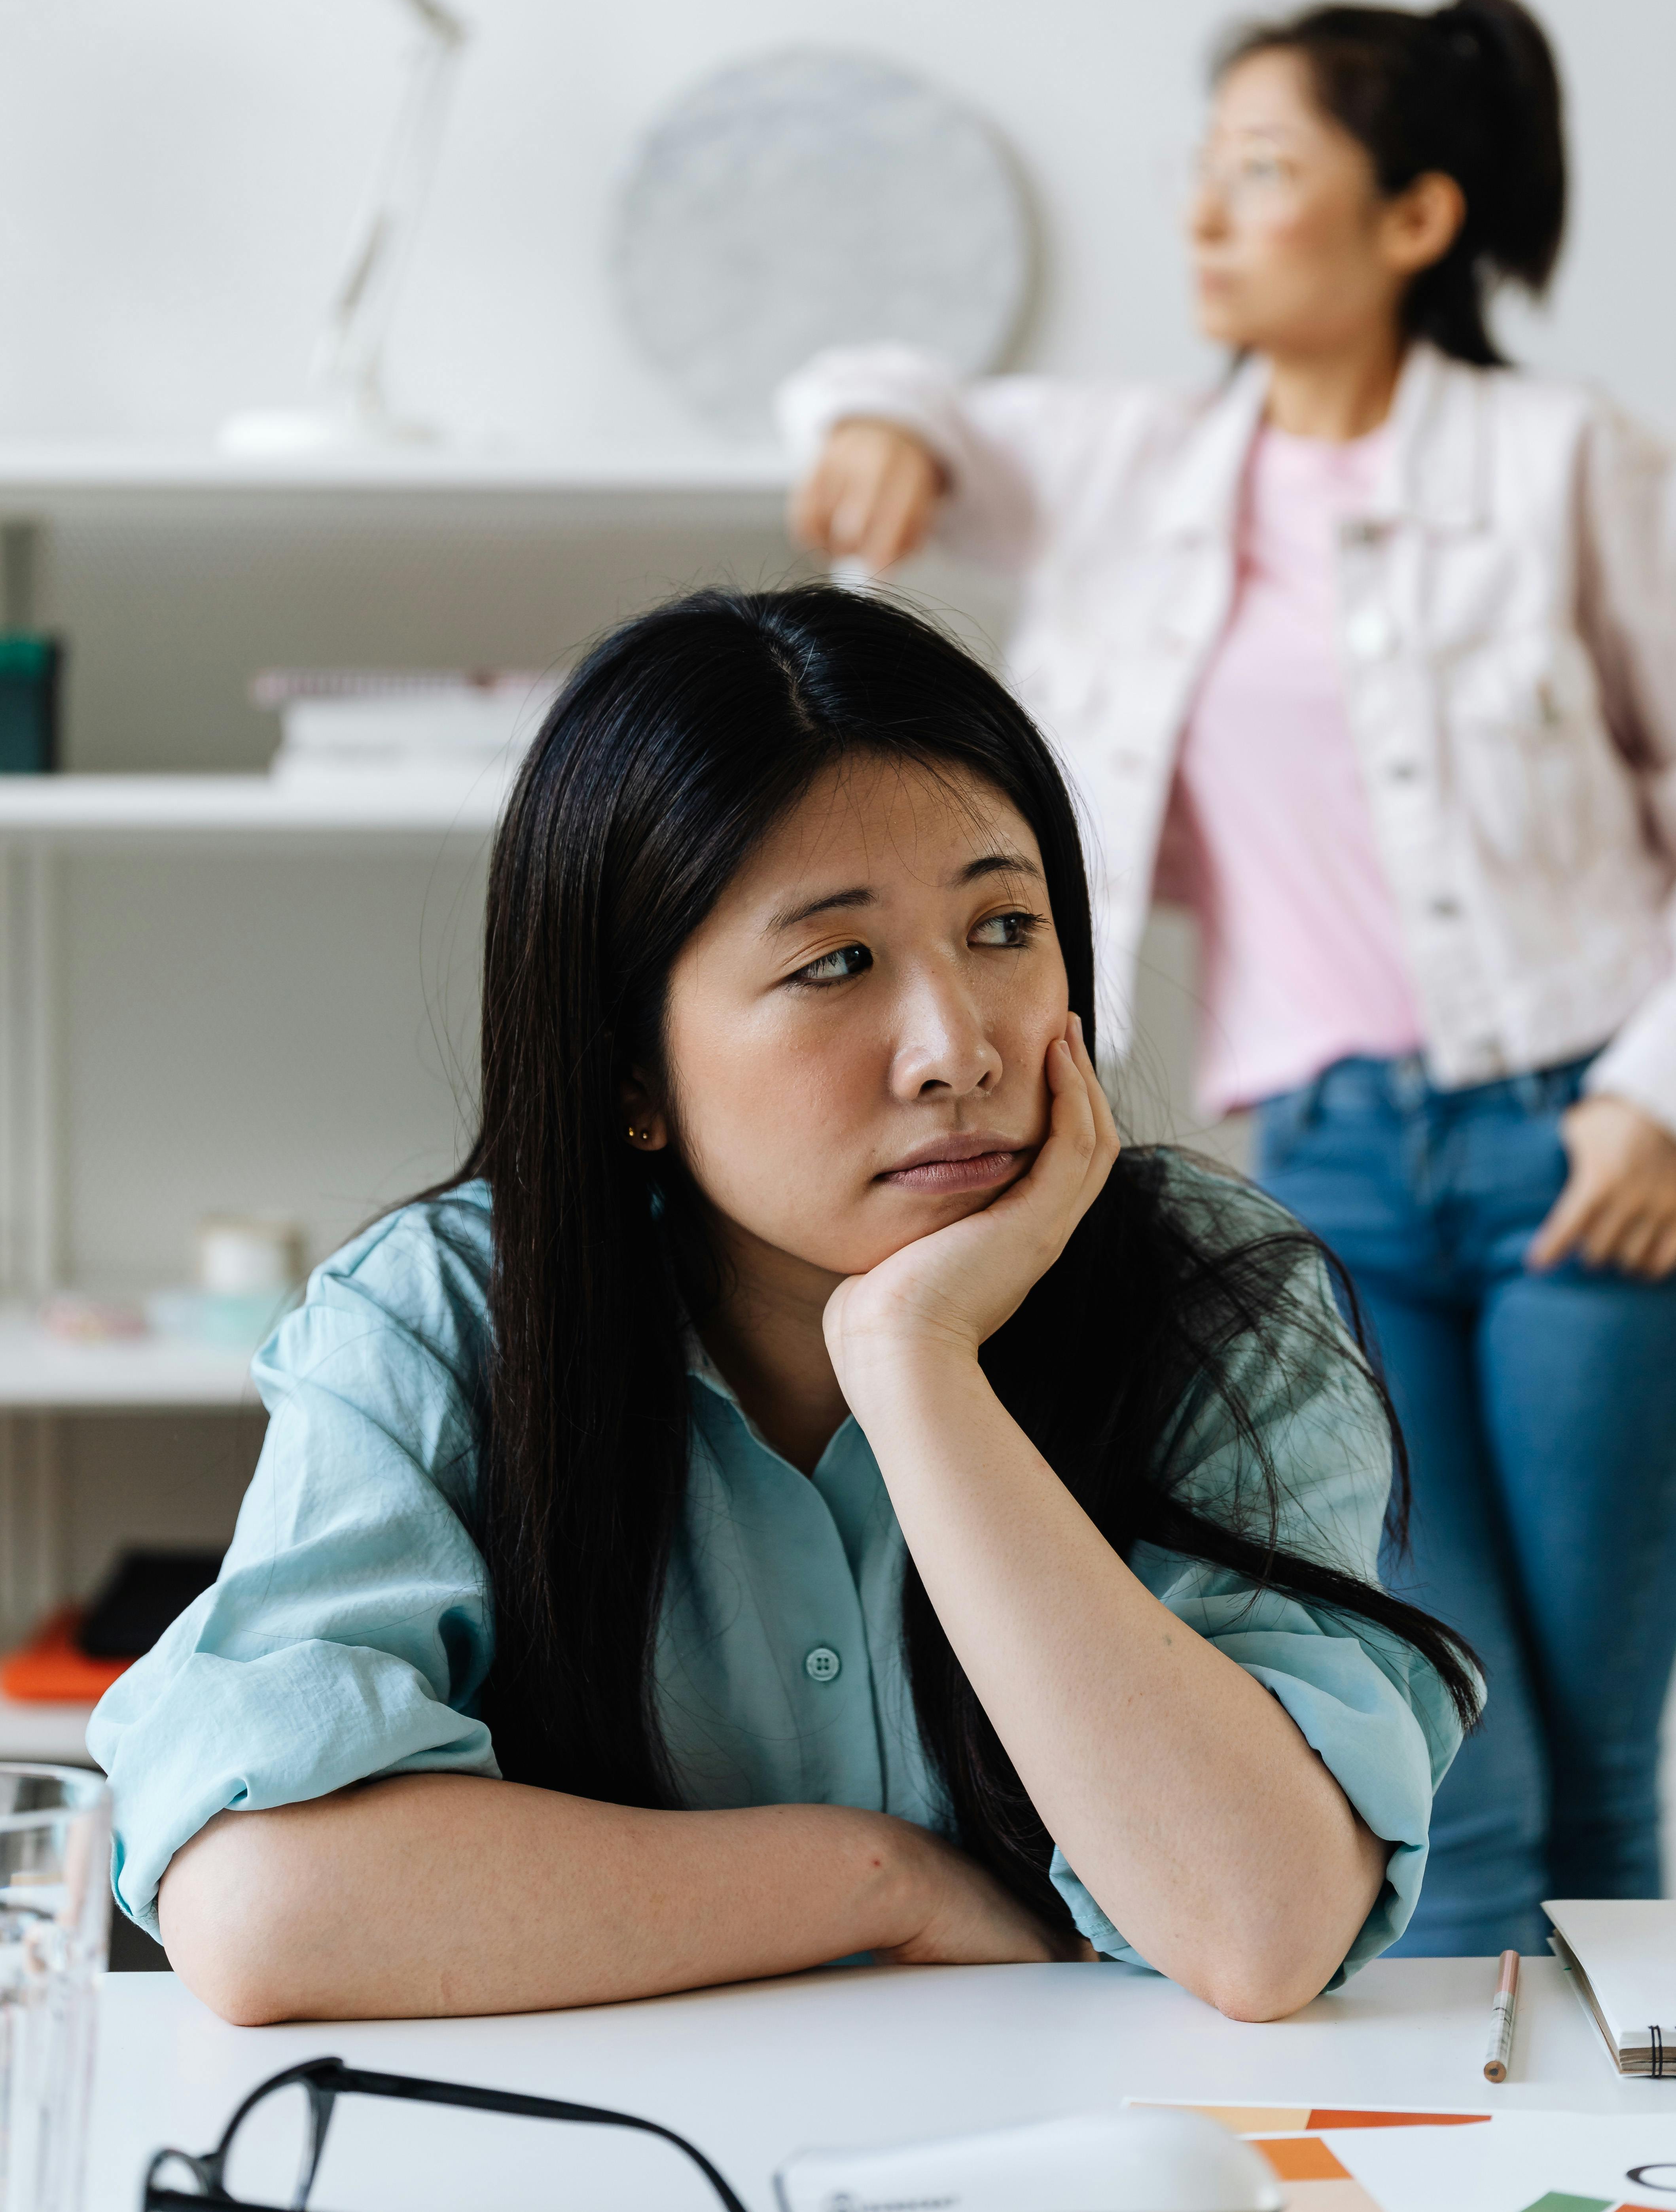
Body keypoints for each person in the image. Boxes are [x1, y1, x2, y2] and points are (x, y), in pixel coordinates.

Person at [92, 586, 1473, 2027]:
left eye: (1005, 926)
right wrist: (878, 1882)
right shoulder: (441, 1315)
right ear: (631, 1071)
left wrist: (917, 1363)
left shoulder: (1216, 1292)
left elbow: (1262, 1925)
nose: (956, 1049)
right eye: (836, 963)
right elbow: (265, 1909)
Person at [781, 0, 1676, 1960]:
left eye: (1261, 171)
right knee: (1455, 1731)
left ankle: (1623, 2114)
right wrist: (874, 422)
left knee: (1604, 1748)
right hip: (1329, 1165)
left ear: (1415, 217)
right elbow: (883, 381)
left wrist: (1659, 1092)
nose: (1203, 214)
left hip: (1589, 1145)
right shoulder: (1135, 464)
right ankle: (1463, 2121)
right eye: (1200, 170)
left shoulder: (1565, 460)